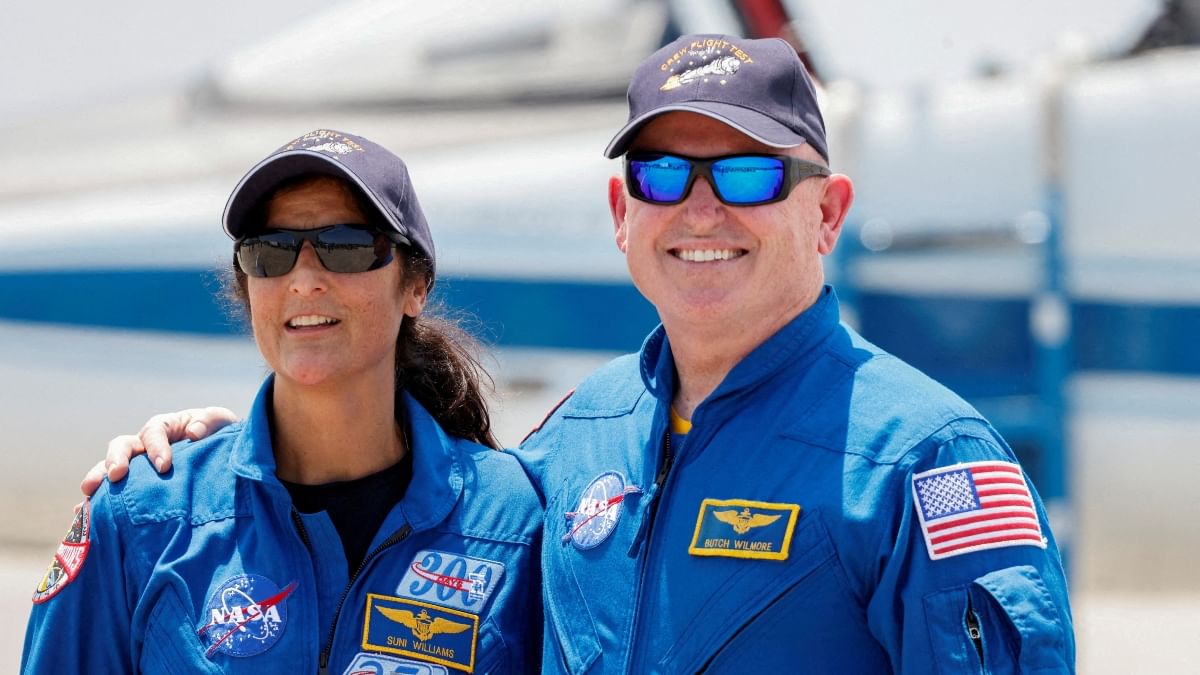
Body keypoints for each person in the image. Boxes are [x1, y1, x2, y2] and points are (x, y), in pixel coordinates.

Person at [79, 35, 1074, 673]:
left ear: (828, 212)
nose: (700, 209)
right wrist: (220, 459)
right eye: (662, 174)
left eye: (747, 174)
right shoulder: (576, 442)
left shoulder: (921, 459)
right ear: (620, 213)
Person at [24, 129, 542, 674]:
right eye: (271, 252)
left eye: (346, 246)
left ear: (415, 286)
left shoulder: (513, 521)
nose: (304, 280)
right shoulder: (143, 517)